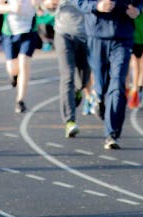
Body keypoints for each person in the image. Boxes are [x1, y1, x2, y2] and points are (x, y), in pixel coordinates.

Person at [77, 0, 143, 150]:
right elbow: (80, 3)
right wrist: (96, 6)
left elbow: (140, 2)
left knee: (118, 82)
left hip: (122, 36)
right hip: (97, 35)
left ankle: (111, 134)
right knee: (101, 85)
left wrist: (137, 10)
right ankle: (98, 98)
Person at [41, 0, 91, 138]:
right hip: (63, 33)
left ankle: (77, 91)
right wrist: (47, 4)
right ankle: (69, 121)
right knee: (67, 75)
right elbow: (44, 5)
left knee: (82, 81)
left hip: (86, 35)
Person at [0, 0, 41, 113]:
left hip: (28, 33)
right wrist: (10, 8)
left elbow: (42, 4)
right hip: (10, 34)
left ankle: (20, 100)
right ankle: (14, 76)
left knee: (24, 64)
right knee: (12, 68)